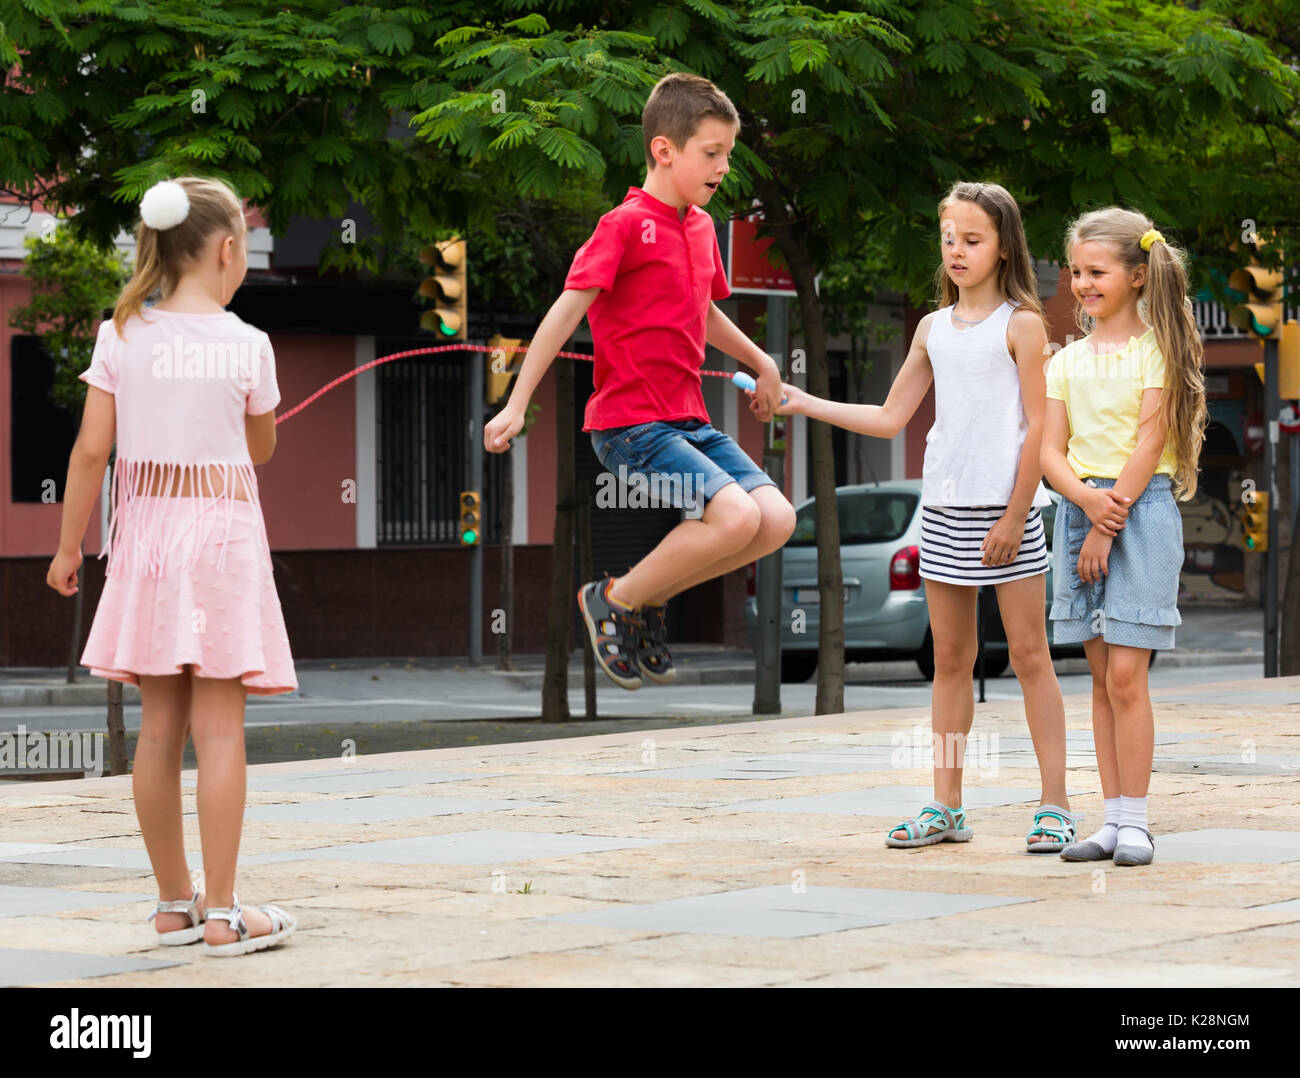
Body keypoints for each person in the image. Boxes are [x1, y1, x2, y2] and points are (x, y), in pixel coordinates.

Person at [759, 182, 1075, 852]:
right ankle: (947, 806)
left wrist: (1017, 518)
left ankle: (1055, 804)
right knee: (952, 659)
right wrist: (801, 401)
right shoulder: (932, 329)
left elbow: (1037, 432)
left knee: (1028, 655)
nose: (956, 250)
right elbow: (889, 417)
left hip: (1009, 510)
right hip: (944, 512)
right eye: (948, 237)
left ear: (1003, 246)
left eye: (972, 238)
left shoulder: (1021, 325)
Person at [45, 177, 298, 954]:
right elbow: (260, 450)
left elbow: (92, 452)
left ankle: (169, 904)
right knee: (220, 732)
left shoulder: (119, 334)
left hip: (146, 540)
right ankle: (223, 912)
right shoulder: (249, 344)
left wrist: (66, 546)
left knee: (159, 732)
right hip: (220, 539)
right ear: (227, 251)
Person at [484, 72, 795, 689]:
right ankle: (613, 598)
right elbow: (565, 312)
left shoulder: (702, 228)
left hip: (688, 421)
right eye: (712, 154)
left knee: (775, 519)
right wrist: (517, 403)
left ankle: (645, 599)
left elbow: (704, 315)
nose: (723, 168)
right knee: (733, 517)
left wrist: (763, 361)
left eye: (728, 155)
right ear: (664, 150)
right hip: (628, 425)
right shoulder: (623, 225)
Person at [1043, 209, 1207, 868]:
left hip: (1139, 513)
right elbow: (1051, 451)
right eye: (1076, 272)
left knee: (1127, 675)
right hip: (1080, 508)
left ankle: (1136, 822)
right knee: (1100, 680)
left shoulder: (1158, 350)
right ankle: (1110, 821)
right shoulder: (1066, 361)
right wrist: (1082, 501)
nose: (1083, 283)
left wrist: (1106, 521)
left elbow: (1149, 441)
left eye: (1097, 272)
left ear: (1138, 276)